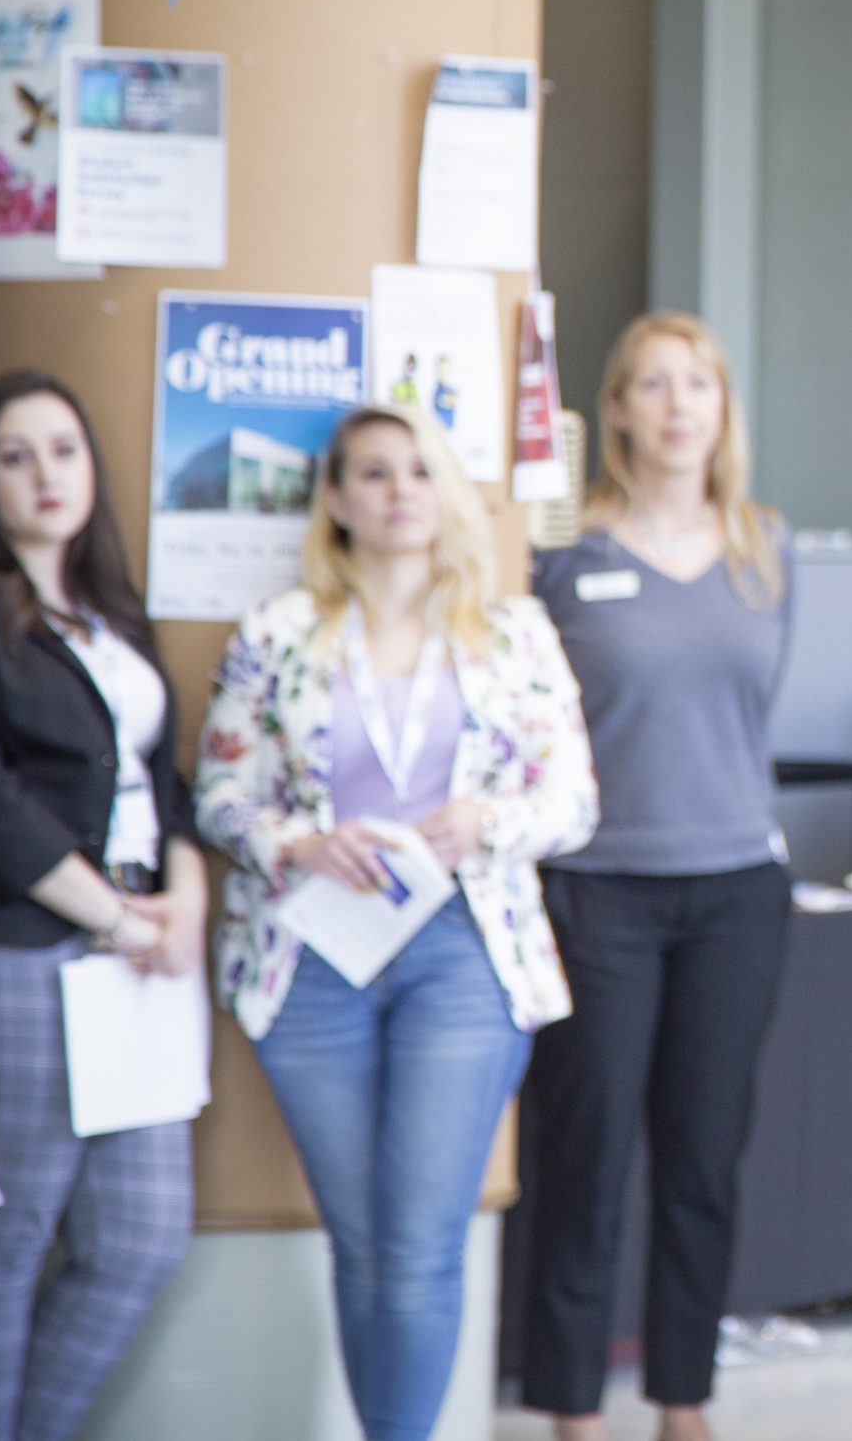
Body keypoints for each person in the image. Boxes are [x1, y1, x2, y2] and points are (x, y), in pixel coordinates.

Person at [197, 404, 597, 1441]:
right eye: (372, 473)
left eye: (419, 470)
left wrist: (486, 819)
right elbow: (218, 794)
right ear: (335, 499)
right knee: (362, 1240)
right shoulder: (277, 634)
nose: (398, 491)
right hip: (313, 951)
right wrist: (295, 841)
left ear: (448, 491)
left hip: (463, 952)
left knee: (420, 1243)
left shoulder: (512, 632)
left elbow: (573, 803)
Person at [520, 315, 795, 1441]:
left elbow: (751, 721)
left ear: (722, 407)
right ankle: (571, 1407)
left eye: (699, 384)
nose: (679, 405)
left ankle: (684, 1399)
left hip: (737, 891)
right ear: (617, 408)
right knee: (583, 1161)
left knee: (703, 1158)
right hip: (600, 890)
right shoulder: (562, 557)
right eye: (652, 385)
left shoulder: (763, 548)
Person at [0, 372, 207, 1441]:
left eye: (65, 450)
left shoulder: (111, 614)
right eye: (15, 455)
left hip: (139, 961)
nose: (47, 475)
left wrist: (179, 899)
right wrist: (116, 918)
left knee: (141, 1240)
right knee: (5, 1242)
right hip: (31, 950)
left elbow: (161, 785)